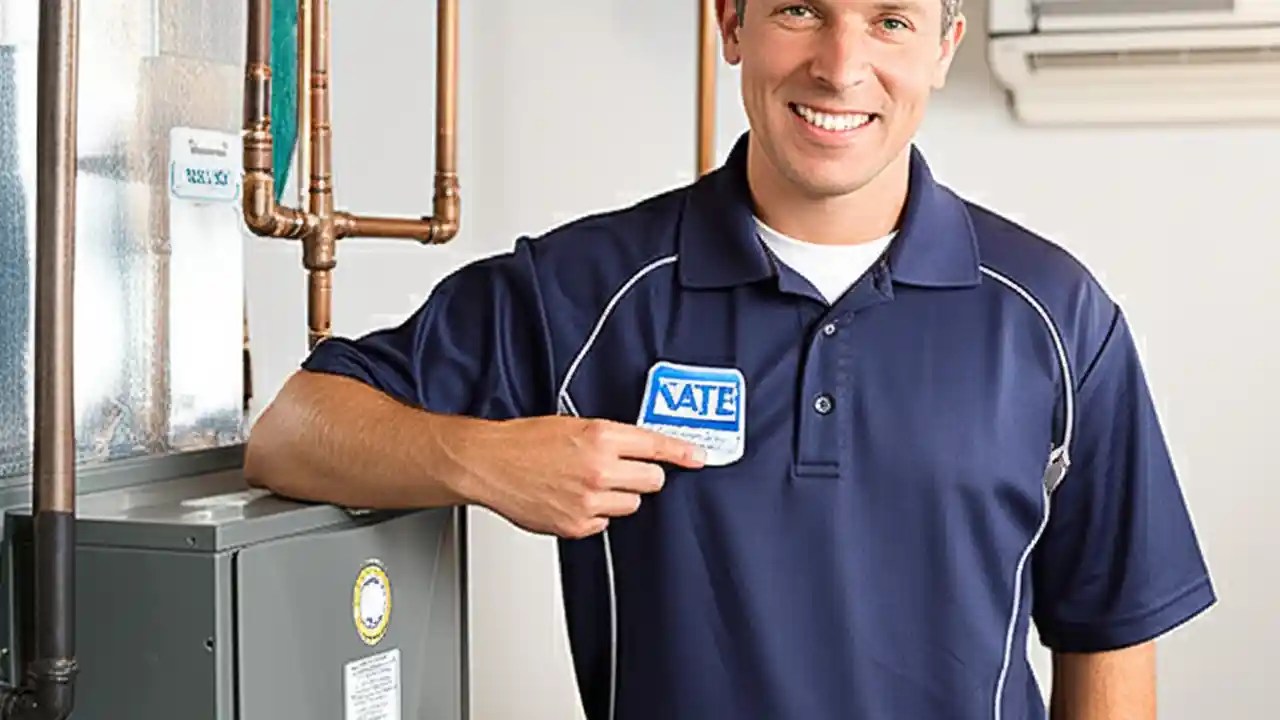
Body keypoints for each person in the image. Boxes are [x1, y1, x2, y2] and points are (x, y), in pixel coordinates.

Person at [245, 1, 1216, 718]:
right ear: (729, 23)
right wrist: (484, 462)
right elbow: (291, 432)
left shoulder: (1054, 317)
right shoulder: (584, 291)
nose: (840, 67)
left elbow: (1108, 633)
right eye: (800, 10)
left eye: (888, 21)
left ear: (943, 45)